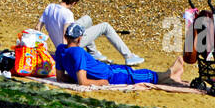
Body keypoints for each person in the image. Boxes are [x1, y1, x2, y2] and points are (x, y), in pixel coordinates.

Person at [55, 23, 185, 87]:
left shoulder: (60, 49)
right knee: (135, 74)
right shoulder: (78, 52)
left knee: (130, 72)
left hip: (104, 70)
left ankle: (168, 76)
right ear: (79, 39)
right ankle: (168, 74)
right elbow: (83, 82)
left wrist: (75, 78)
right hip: (110, 74)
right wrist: (100, 82)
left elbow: (60, 78)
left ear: (66, 37)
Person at [37, 0, 144, 65]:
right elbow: (67, 36)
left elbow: (38, 28)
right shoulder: (68, 14)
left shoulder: (49, 7)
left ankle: (93, 52)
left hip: (61, 44)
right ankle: (128, 56)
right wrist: (65, 54)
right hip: (70, 46)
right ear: (74, 3)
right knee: (105, 26)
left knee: (87, 19)